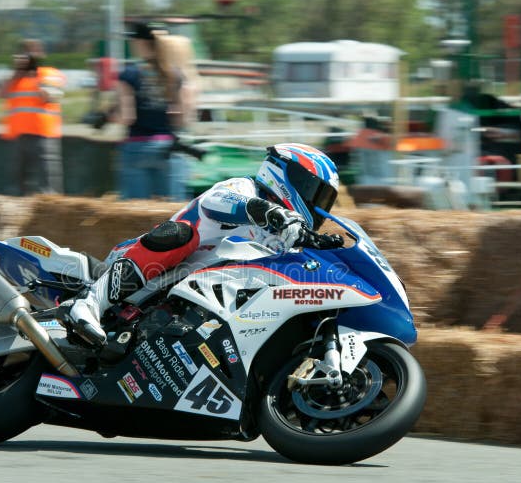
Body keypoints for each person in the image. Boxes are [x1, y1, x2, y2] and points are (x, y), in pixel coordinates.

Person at [66, 143, 342, 347]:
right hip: (153, 272)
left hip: (196, 307)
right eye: (314, 192)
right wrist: (270, 212)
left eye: (324, 200)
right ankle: (89, 302)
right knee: (182, 233)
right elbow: (217, 202)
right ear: (288, 176)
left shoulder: (285, 236)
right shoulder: (243, 189)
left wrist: (321, 248)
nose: (317, 205)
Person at [113, 22, 187, 201]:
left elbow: (127, 117)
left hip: (136, 147)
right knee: (170, 214)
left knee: (135, 214)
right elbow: (180, 119)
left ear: (140, 43)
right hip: (167, 148)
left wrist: (108, 117)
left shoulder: (129, 74)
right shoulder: (175, 74)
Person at [0, 39, 66, 195]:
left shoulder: (49, 74)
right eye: (23, 54)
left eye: (31, 53)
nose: (26, 58)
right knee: (16, 184)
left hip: (43, 137)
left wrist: (35, 72)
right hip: (18, 137)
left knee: (48, 186)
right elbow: (1, 93)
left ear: (41, 55)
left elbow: (49, 96)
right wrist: (16, 73)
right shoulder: (15, 78)